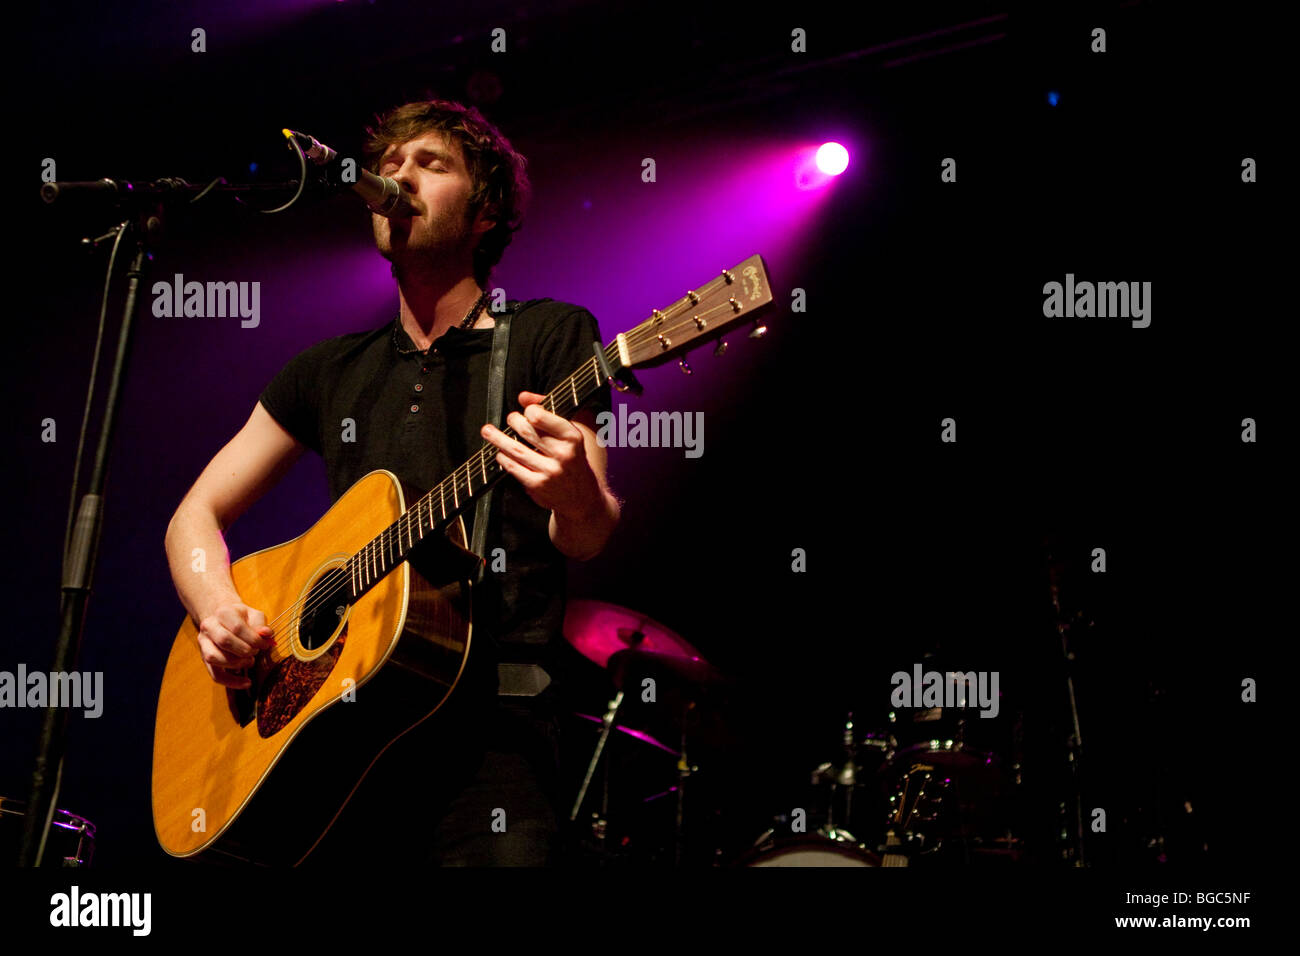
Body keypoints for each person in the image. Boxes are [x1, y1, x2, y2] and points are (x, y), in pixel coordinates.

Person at [163, 98, 620, 865]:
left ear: (486, 211)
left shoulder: (550, 335)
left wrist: (575, 494)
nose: (398, 177)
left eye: (430, 164)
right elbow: (195, 514)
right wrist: (217, 612)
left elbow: (588, 534)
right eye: (390, 164)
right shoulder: (328, 368)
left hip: (494, 734)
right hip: (342, 736)